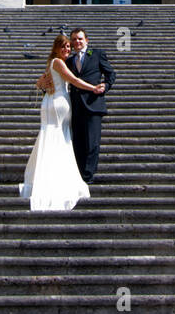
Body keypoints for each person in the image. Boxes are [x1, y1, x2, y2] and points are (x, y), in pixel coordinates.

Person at [19, 35, 104, 212]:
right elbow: (73, 80)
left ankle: (53, 175)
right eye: (63, 46)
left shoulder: (55, 62)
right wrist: (93, 88)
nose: (67, 49)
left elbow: (41, 82)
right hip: (57, 103)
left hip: (57, 101)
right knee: (56, 137)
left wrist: (42, 83)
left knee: (58, 137)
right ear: (56, 48)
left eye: (68, 47)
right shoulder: (58, 62)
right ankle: (54, 178)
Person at [67, 28, 116, 184]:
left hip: (93, 104)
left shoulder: (97, 54)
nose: (77, 42)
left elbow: (111, 73)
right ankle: (80, 174)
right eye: (74, 39)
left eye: (80, 39)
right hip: (75, 106)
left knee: (92, 143)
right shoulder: (69, 60)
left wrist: (105, 86)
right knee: (78, 142)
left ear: (86, 40)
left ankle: (88, 176)